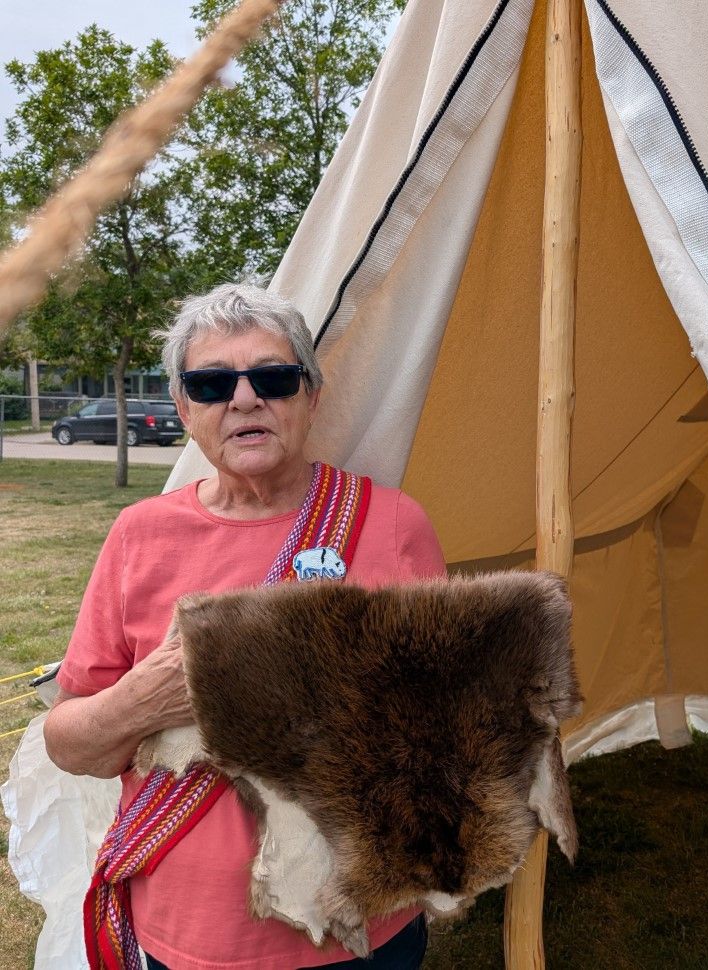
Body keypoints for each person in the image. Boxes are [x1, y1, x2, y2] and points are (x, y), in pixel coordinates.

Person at [43, 283, 445, 970]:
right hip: (186, 936)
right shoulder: (139, 536)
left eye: (273, 377)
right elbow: (69, 743)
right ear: (183, 409)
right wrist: (148, 699)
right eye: (211, 383)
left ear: (311, 398)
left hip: (358, 931)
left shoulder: (391, 522)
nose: (245, 398)